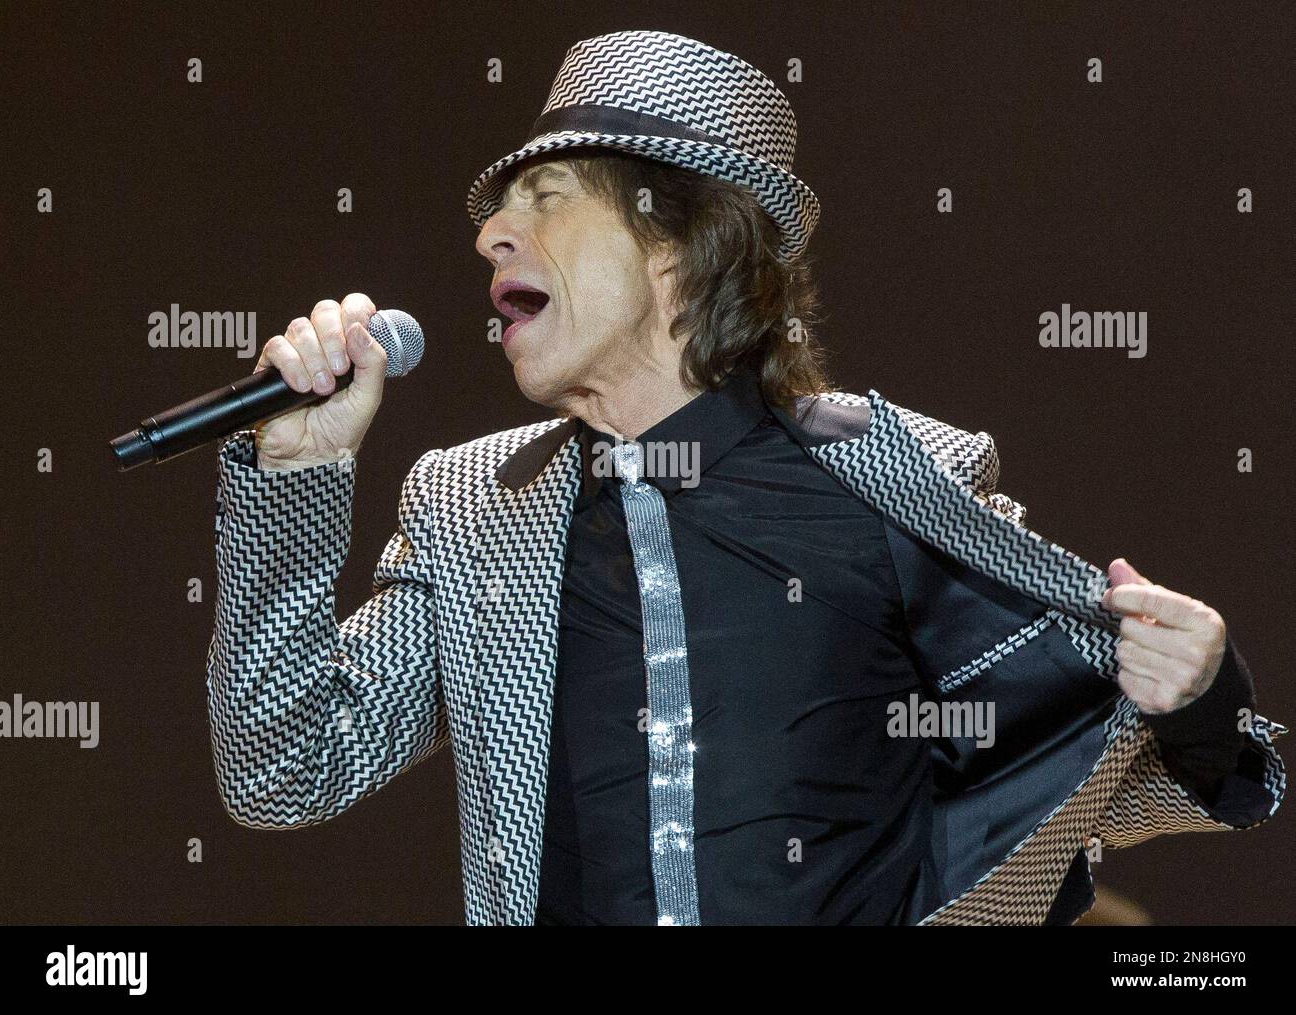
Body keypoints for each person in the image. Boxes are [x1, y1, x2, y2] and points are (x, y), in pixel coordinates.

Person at [205, 30, 1285, 926]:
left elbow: (1118, 768)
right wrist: (296, 476)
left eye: (546, 197)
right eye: (499, 211)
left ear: (678, 243)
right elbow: (283, 768)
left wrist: (1195, 691)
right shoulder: (474, 509)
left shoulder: (891, 481)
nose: (491, 233)